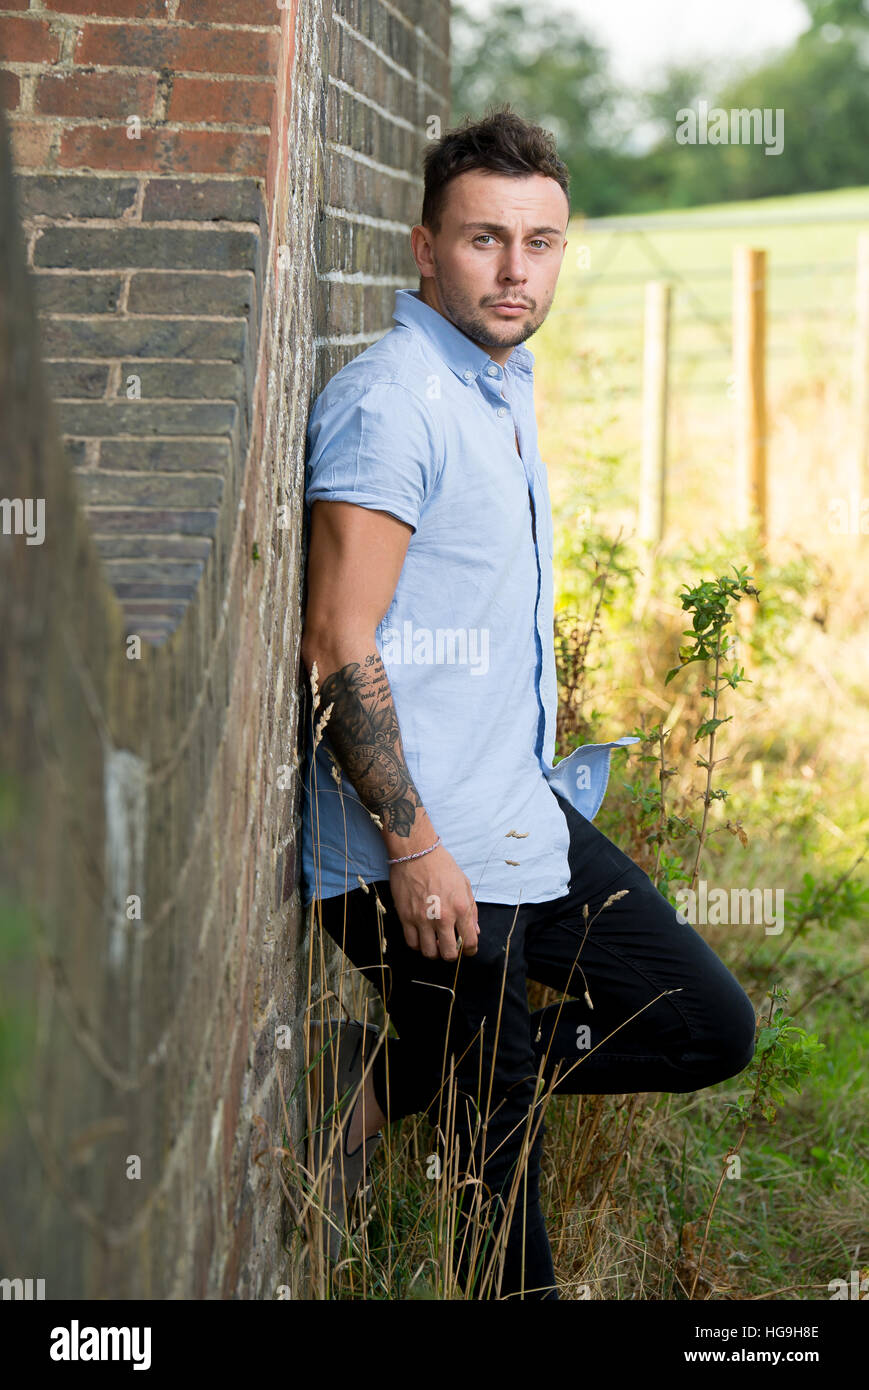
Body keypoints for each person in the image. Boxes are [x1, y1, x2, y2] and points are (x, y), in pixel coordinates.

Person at [298, 105, 757, 1299]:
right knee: (498, 1169)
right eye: (483, 239)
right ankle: (453, 1084)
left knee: (703, 1023)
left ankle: (394, 1073)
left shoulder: (497, 382)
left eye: (539, 242)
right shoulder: (392, 401)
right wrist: (414, 849)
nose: (514, 270)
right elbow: (336, 642)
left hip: (513, 812)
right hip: (412, 847)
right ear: (423, 247)